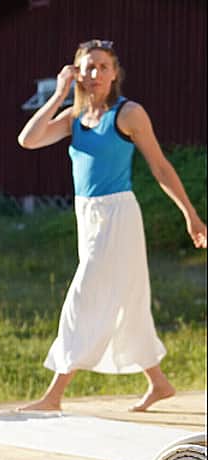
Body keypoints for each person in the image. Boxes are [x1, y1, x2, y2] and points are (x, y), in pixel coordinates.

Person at [16, 39, 207, 413]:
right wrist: (58, 94)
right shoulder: (73, 118)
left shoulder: (129, 113)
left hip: (118, 216)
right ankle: (159, 383)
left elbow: (161, 167)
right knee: (127, 301)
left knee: (83, 295)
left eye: (103, 67)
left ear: (115, 73)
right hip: (86, 216)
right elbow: (28, 140)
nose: (95, 74)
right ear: (76, 72)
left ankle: (53, 395)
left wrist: (191, 214)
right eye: (88, 67)